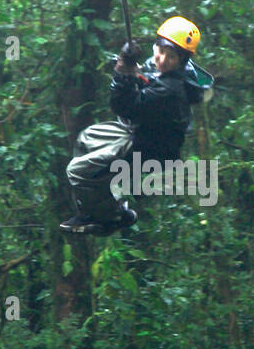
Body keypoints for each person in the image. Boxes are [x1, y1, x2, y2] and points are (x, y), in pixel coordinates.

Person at [60, 16, 209, 234]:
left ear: (182, 62)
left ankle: (109, 217)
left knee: (77, 171)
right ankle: (107, 203)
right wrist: (131, 67)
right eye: (161, 51)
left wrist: (123, 70)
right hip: (140, 131)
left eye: (172, 57)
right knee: (86, 138)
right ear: (155, 45)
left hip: (149, 148)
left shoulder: (170, 90)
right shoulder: (162, 69)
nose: (163, 59)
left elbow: (122, 105)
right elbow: (147, 76)